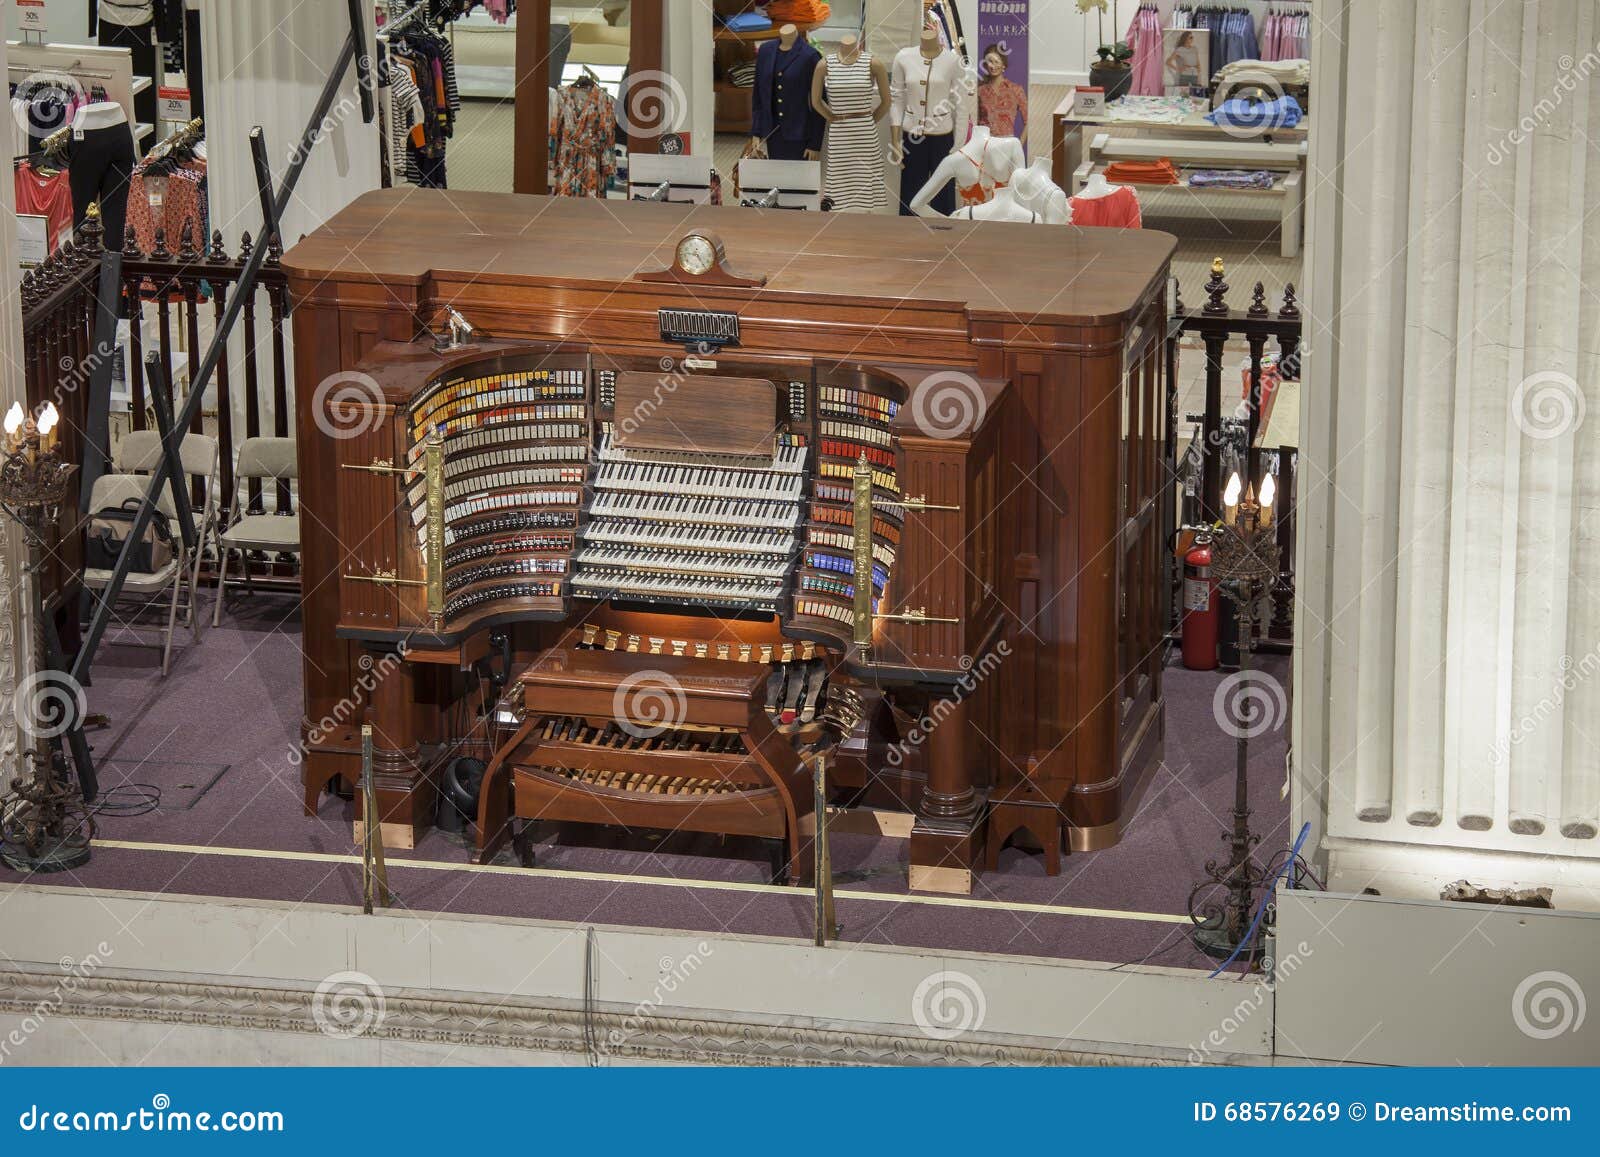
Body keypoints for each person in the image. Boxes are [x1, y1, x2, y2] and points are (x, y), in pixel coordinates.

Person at [976, 43, 1026, 140]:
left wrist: (1018, 146)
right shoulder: (980, 90)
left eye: (996, 62)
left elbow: (1028, 121)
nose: (993, 66)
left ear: (1003, 65)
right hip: (986, 144)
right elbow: (978, 122)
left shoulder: (1016, 90)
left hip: (1006, 144)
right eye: (990, 62)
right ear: (986, 65)